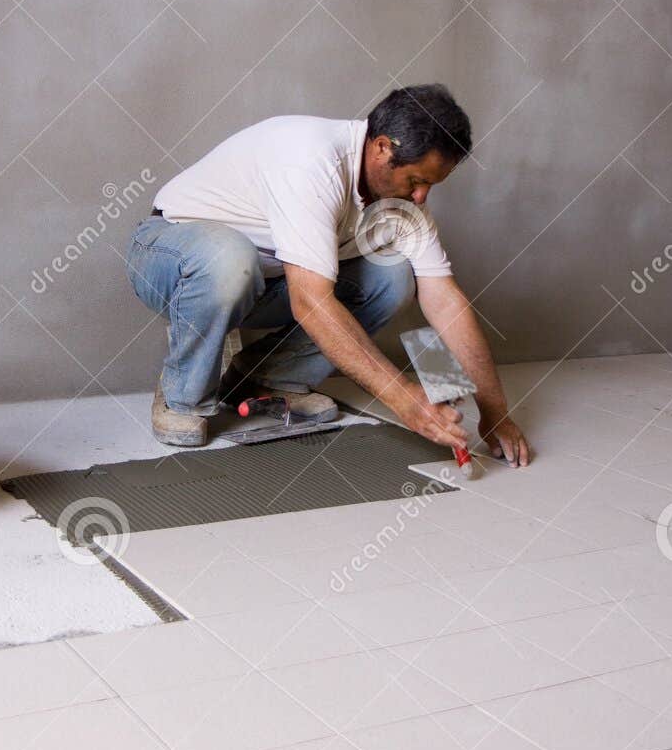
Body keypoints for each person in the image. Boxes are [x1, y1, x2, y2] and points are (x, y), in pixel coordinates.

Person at [125, 83, 532, 466]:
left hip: (262, 284)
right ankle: (182, 397)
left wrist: (494, 414)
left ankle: (263, 378)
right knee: (232, 259)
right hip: (169, 256)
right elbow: (310, 301)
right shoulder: (311, 161)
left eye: (431, 185)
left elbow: (445, 300)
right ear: (382, 148)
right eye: (417, 181)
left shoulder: (403, 205)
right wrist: (406, 400)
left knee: (392, 280)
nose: (422, 197)